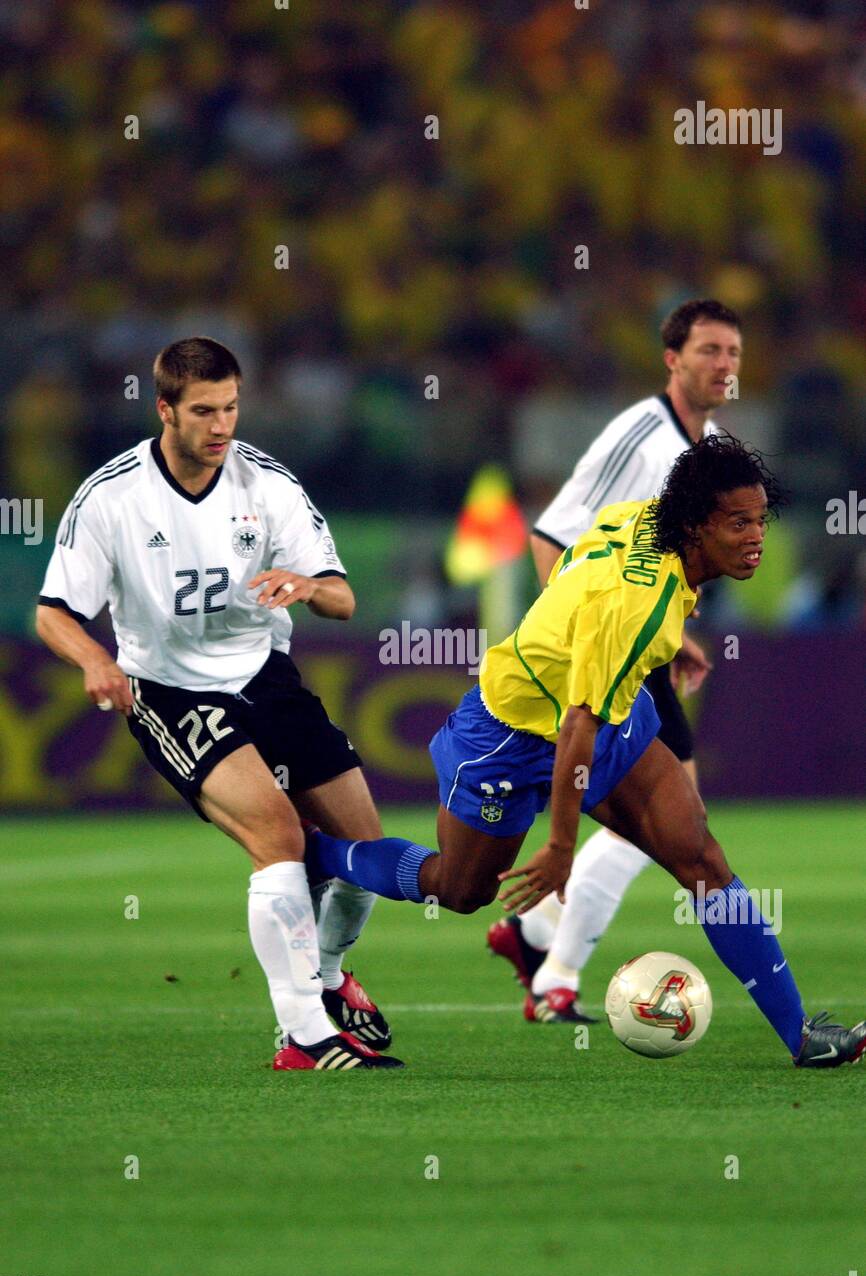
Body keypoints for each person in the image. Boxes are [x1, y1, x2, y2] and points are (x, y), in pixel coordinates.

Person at [303, 433, 865, 1069]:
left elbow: (576, 562)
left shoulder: (643, 518)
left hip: (596, 713)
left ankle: (801, 1034)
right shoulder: (640, 607)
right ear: (695, 525)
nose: (756, 535)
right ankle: (317, 853)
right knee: (460, 891)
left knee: (700, 854)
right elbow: (577, 729)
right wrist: (561, 847)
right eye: (739, 523)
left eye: (760, 519)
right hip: (508, 738)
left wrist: (636, 642)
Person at [35, 336, 402, 1073]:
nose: (222, 425)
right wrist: (97, 661)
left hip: (265, 677)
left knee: (365, 851)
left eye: (231, 406)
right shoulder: (111, 496)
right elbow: (53, 613)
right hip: (169, 688)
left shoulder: (267, 484)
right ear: (164, 408)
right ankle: (303, 1035)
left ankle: (326, 979)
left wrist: (305, 587)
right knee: (279, 836)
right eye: (204, 410)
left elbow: (342, 595)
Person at [491, 298, 741, 1023]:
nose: (724, 365)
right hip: (599, 653)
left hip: (642, 650)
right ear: (673, 358)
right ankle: (550, 969)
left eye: (734, 353)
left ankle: (537, 941)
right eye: (709, 351)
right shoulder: (637, 435)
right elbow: (550, 536)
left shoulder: (712, 442)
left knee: (666, 824)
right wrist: (585, 643)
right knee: (669, 825)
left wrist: (672, 630)